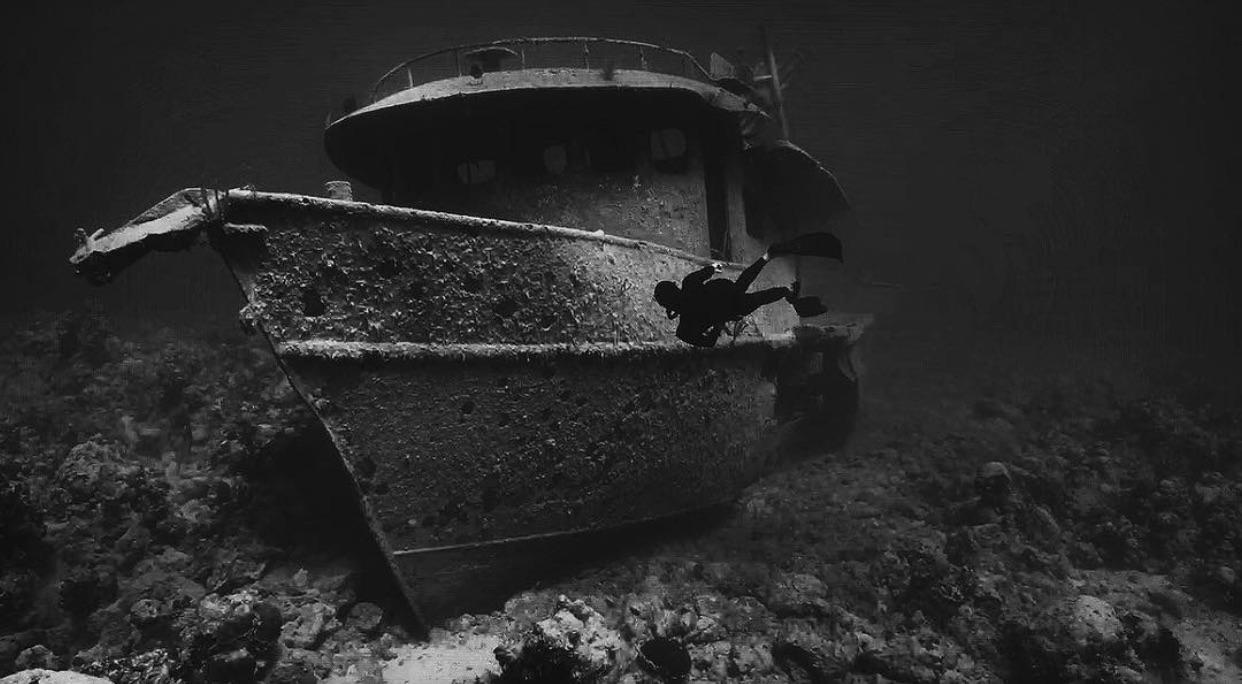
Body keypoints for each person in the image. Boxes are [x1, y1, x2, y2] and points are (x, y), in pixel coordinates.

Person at [653, 233, 842, 347]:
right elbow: (709, 271)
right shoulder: (689, 284)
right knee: (748, 282)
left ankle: (785, 289)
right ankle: (769, 260)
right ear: (675, 288)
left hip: (733, 306)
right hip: (731, 297)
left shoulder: (684, 329)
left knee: (761, 295)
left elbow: (709, 342)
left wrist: (718, 323)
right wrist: (716, 267)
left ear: (666, 305)